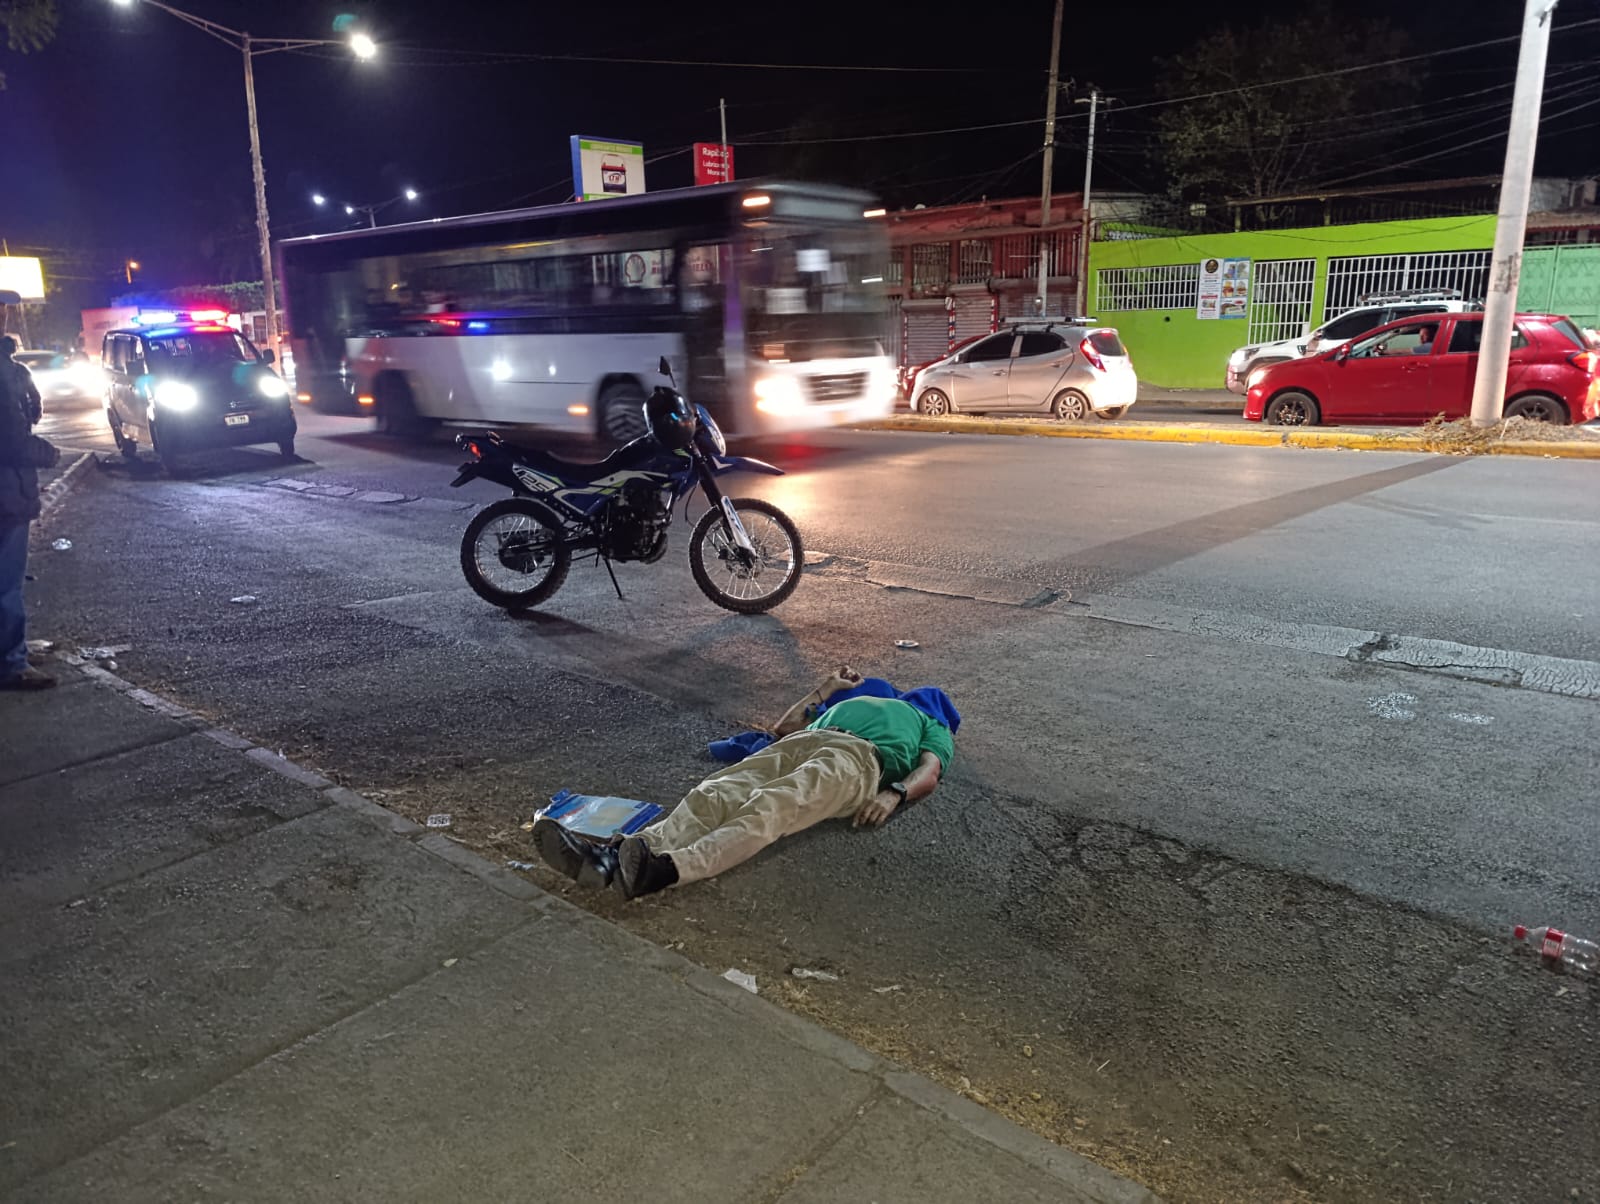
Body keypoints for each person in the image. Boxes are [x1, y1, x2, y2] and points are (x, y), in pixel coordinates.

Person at [532, 668, 958, 899]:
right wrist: (825, 689)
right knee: (713, 794)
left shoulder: (929, 722)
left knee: (773, 805)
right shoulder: (852, 701)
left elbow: (930, 769)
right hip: (803, 743)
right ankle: (613, 857)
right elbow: (784, 727)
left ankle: (665, 871)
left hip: (858, 758)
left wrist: (894, 793)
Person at [0, 334, 61, 690]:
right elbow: (11, 440)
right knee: (7, 581)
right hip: (6, 493)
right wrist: (47, 453)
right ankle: (12, 662)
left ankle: (13, 649)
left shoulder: (11, 370)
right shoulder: (5, 372)